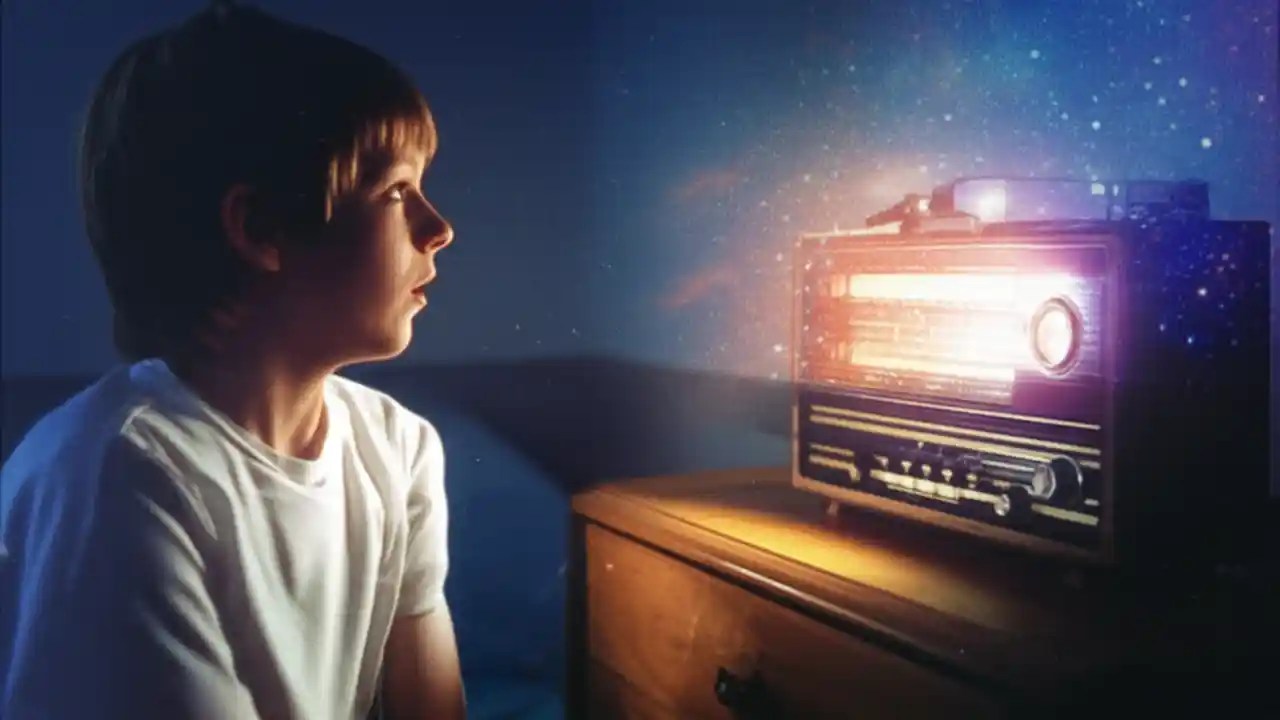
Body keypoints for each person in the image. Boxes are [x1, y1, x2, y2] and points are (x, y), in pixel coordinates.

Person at [0, 1, 463, 718]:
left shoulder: (398, 449)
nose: (438, 229)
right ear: (259, 228)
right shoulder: (120, 475)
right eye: (397, 192)